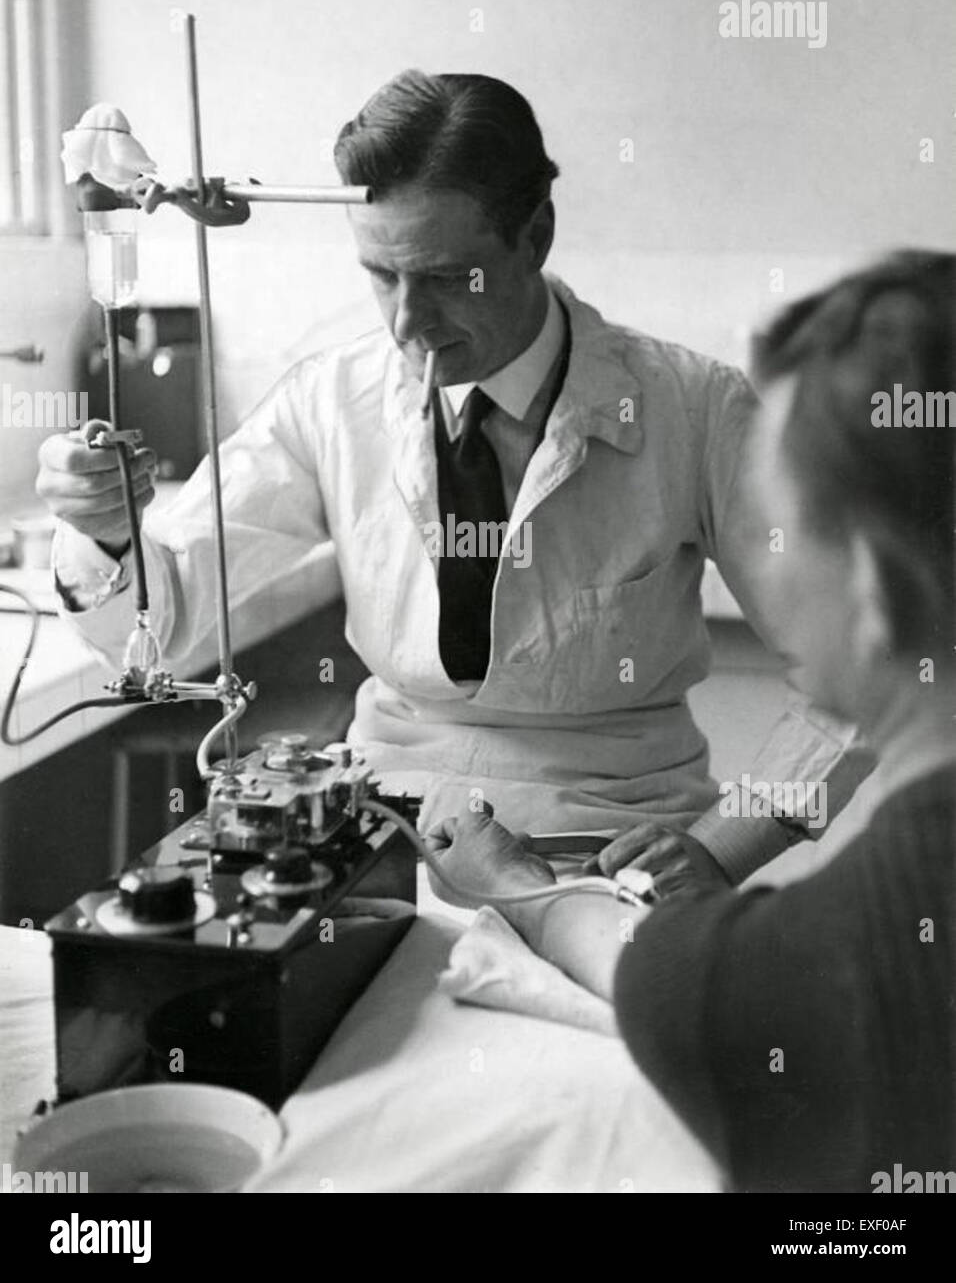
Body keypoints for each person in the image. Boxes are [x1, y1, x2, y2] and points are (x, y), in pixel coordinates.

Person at [38, 70, 869, 887]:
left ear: (535, 236)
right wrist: (104, 529)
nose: (407, 322)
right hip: (379, 847)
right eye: (380, 275)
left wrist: (721, 849)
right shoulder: (330, 403)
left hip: (610, 854)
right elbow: (164, 624)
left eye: (443, 278)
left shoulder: (694, 409)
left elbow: (872, 664)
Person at [425, 251, 955, 1192]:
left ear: (870, 590)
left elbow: (671, 977)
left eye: (780, 524)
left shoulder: (840, 957)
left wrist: (517, 886)